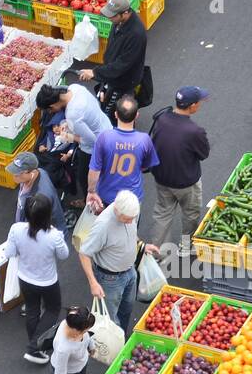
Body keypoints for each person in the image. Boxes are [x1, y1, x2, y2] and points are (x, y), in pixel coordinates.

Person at [6, 193, 68, 364]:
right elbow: (64, 255)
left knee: (32, 309)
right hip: (47, 281)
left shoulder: (16, 229)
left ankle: (36, 344)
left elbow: (9, 253)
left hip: (25, 278)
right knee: (53, 309)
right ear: (48, 214)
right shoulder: (54, 235)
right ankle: (35, 347)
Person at [148, 88, 209, 252]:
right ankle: (186, 246)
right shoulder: (194, 131)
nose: (200, 105)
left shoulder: (161, 118)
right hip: (186, 182)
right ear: (192, 106)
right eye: (199, 102)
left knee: (162, 214)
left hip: (162, 178)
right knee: (190, 214)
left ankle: (156, 252)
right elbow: (204, 154)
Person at [78, 190, 145, 334]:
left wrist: (141, 244)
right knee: (110, 318)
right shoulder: (103, 226)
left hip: (130, 271)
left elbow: (132, 233)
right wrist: (93, 283)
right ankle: (112, 350)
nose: (131, 222)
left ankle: (122, 338)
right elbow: (84, 253)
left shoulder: (131, 212)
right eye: (127, 219)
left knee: (127, 308)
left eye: (133, 218)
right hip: (110, 279)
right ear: (116, 210)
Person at [37, 82, 109, 208]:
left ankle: (92, 202)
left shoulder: (73, 114)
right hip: (106, 126)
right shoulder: (75, 88)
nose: (52, 112)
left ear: (53, 105)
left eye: (50, 110)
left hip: (95, 146)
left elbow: (91, 141)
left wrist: (69, 137)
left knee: (83, 175)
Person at [77, 0, 148, 113]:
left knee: (117, 113)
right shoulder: (118, 22)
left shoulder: (136, 34)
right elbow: (112, 50)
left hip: (124, 82)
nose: (109, 18)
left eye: (112, 15)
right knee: (106, 103)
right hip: (112, 76)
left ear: (125, 13)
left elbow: (122, 64)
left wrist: (95, 72)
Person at [87, 94, 159, 212]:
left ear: (115, 114)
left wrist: (91, 191)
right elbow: (147, 165)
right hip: (132, 198)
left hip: (107, 195)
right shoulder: (144, 139)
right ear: (136, 115)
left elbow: (94, 170)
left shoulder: (104, 137)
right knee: (130, 228)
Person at [8, 151, 66, 232]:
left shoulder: (40, 197)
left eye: (18, 173)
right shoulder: (38, 171)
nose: (14, 175)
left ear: (32, 172)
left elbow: (37, 230)